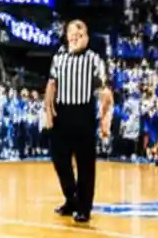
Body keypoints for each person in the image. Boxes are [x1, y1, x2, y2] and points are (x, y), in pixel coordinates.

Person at [44, 19, 113, 224]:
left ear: (86, 38)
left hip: (83, 113)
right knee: (59, 159)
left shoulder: (93, 59)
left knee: (85, 164)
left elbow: (104, 90)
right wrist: (48, 111)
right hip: (62, 113)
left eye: (79, 35)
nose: (75, 38)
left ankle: (84, 207)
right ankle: (71, 197)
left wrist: (104, 119)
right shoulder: (59, 57)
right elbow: (51, 85)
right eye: (72, 34)